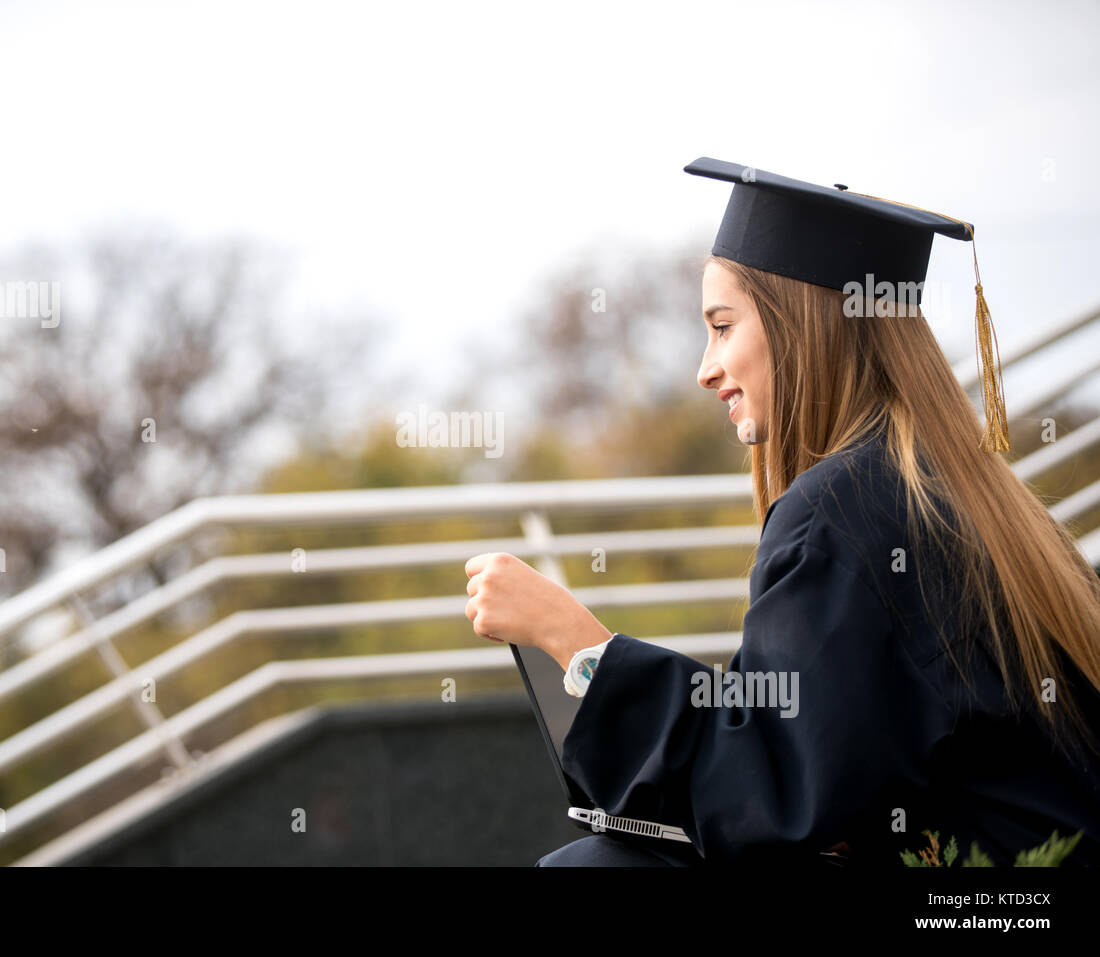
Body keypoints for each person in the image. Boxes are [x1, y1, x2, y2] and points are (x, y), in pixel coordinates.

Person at [464, 158, 1100, 867]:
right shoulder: (961, 496)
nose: (705, 367)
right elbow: (823, 752)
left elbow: (770, 794)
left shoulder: (844, 506)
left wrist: (578, 643)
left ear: (803, 325)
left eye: (723, 325)